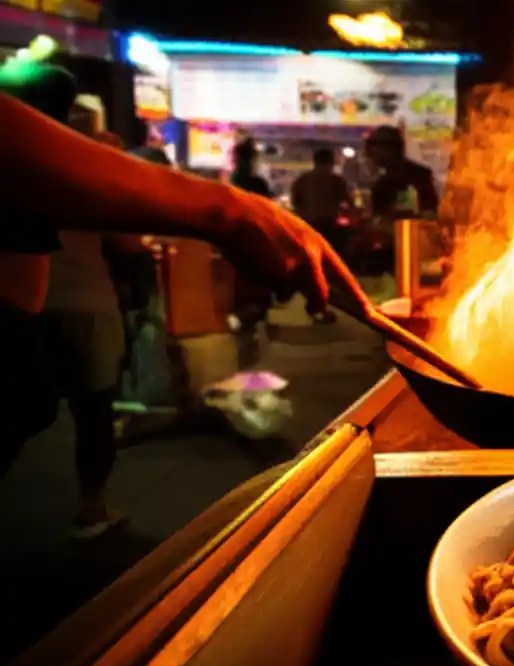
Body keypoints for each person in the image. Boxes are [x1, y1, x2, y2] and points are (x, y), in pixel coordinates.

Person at [0, 87, 332, 478]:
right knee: (86, 409)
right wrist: (229, 214)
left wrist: (229, 214)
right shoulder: (49, 178)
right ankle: (93, 506)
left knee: (48, 403)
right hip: (78, 311)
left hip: (46, 314)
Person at [40, 126, 136, 537]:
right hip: (88, 307)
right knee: (94, 410)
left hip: (31, 305)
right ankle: (91, 507)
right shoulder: (98, 187)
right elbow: (130, 244)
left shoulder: (34, 177)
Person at [367, 125, 439, 218]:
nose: (373, 154)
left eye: (377, 149)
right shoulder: (381, 180)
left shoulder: (416, 175)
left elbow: (429, 210)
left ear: (391, 150)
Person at [291, 148, 353, 255]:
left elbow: (296, 202)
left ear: (315, 161)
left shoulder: (303, 180)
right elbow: (348, 201)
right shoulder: (336, 180)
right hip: (330, 225)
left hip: (308, 224)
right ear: (332, 162)